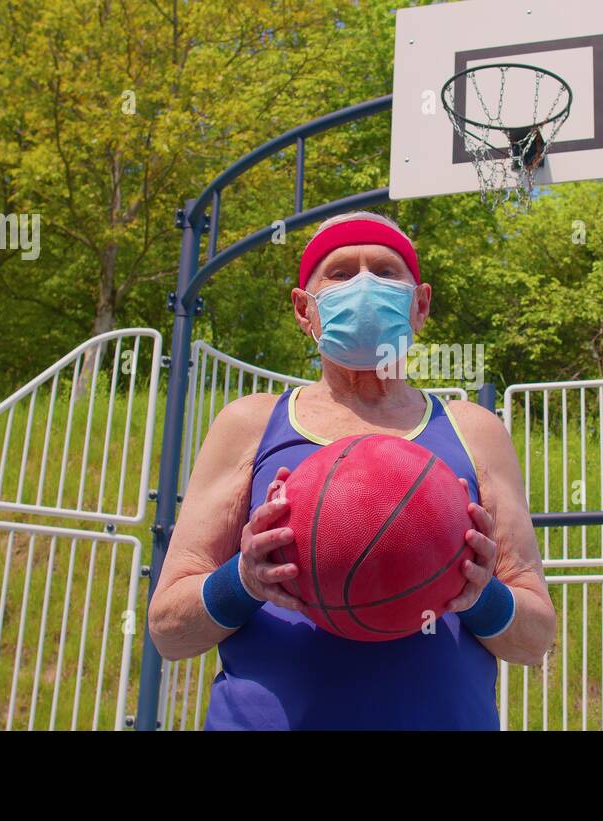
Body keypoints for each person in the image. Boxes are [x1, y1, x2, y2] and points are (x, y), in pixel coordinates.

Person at [148, 211, 556, 729]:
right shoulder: (251, 423)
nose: (365, 286)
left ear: (420, 304)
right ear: (304, 309)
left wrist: (481, 595)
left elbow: (534, 638)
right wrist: (245, 580)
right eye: (340, 274)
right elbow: (169, 631)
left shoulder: (474, 430)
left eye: (386, 272)